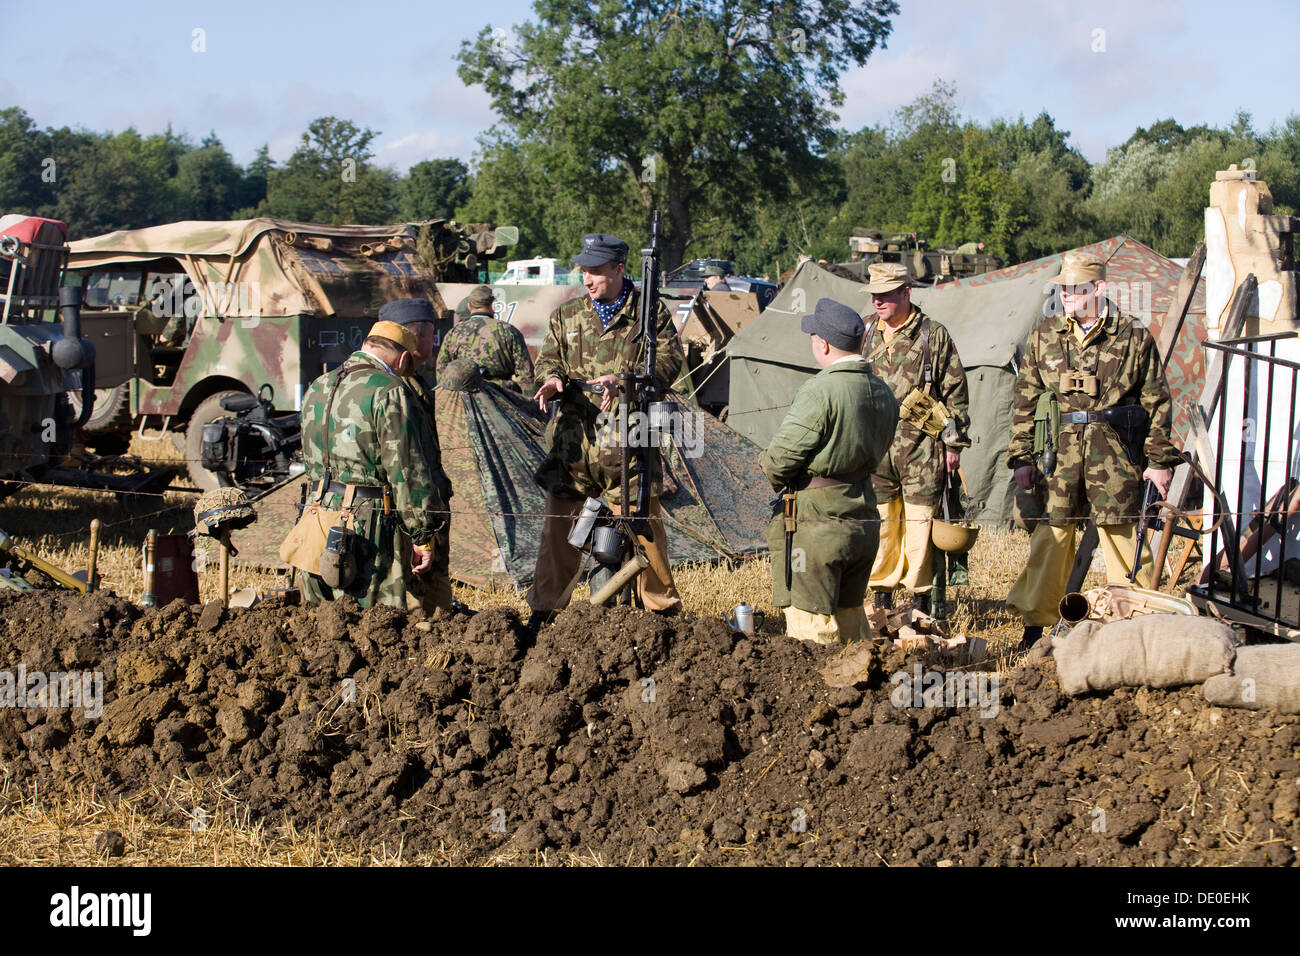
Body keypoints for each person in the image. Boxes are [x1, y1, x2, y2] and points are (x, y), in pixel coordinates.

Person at [1004, 251, 1180, 650]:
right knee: (1052, 540)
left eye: (1074, 289)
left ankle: (1134, 628)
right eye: (1062, 289)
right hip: (1060, 454)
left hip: (1114, 454)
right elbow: (1025, 401)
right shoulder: (1045, 335)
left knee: (1121, 537)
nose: (1066, 295)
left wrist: (1158, 462)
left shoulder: (1133, 336)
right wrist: (1021, 457)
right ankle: (1035, 629)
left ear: (1098, 288)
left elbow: (1157, 403)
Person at [527, 232, 685, 627]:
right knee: (559, 536)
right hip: (573, 447)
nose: (588, 279)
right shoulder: (567, 315)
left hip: (628, 444)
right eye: (583, 271)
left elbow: (668, 365)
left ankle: (662, 615)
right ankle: (544, 613)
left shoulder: (650, 315)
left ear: (619, 269)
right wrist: (549, 379)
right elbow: (547, 360)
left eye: (596, 272)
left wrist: (626, 382)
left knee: (643, 532)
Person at [761, 297, 898, 645]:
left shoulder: (820, 389)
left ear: (822, 343)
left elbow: (780, 460)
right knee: (851, 618)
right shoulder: (883, 391)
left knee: (810, 630)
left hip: (816, 523)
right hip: (863, 516)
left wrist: (770, 470)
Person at [297, 318, 446, 608]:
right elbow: (407, 470)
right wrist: (422, 533)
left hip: (316, 513)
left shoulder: (318, 386)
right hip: (369, 521)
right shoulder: (390, 390)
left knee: (321, 617)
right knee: (375, 623)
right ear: (403, 358)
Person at [861, 262, 970, 616]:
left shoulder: (932, 335)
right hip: (875, 445)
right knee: (881, 524)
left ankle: (920, 601)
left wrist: (953, 445)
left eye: (886, 294)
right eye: (874, 294)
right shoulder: (864, 333)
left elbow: (956, 392)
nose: (878, 301)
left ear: (906, 292)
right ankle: (881, 597)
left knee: (920, 525)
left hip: (922, 446)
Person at [378, 297, 455, 613]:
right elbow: (405, 464)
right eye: (430, 333)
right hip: (412, 514)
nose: (434, 341)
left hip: (428, 508)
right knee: (416, 597)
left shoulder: (416, 381)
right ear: (414, 335)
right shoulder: (396, 387)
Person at [435, 284, 535, 392]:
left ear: (469, 306)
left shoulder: (453, 333)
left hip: (463, 400)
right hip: (502, 399)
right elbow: (526, 376)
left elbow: (442, 371)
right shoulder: (509, 331)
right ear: (493, 305)